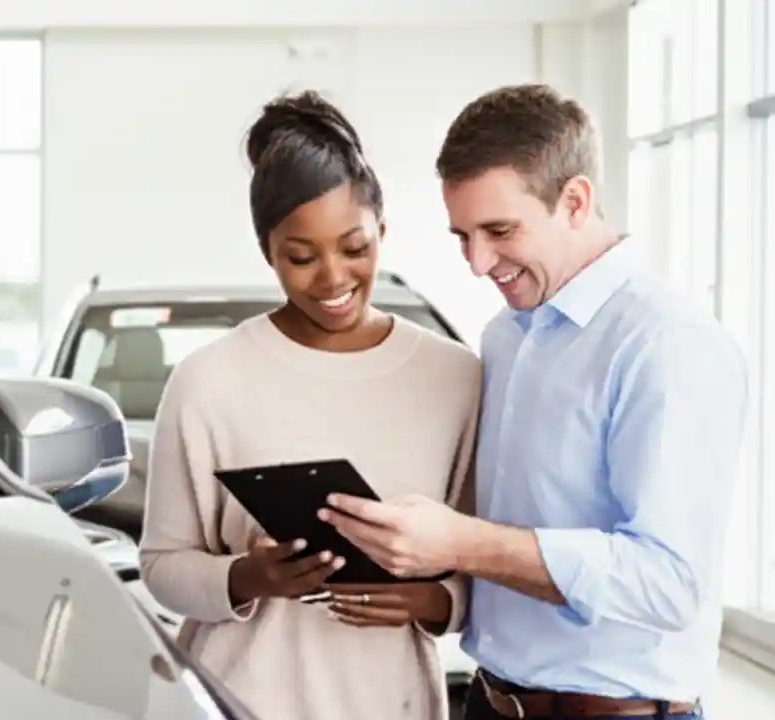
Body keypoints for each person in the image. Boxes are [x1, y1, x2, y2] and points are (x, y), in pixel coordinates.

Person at [319, 83, 748, 720]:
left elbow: (670, 584)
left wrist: (461, 544)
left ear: (575, 201)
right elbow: (512, 519)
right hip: (492, 702)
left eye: (499, 230)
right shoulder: (506, 335)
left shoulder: (667, 344)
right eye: (462, 235)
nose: (477, 263)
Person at [137, 89, 482, 720]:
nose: (332, 279)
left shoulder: (455, 379)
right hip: (241, 698)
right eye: (301, 257)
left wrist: (433, 602)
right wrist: (248, 577)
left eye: (355, 248)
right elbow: (161, 565)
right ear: (268, 251)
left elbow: (481, 559)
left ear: (383, 229)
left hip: (390, 701)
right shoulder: (207, 381)